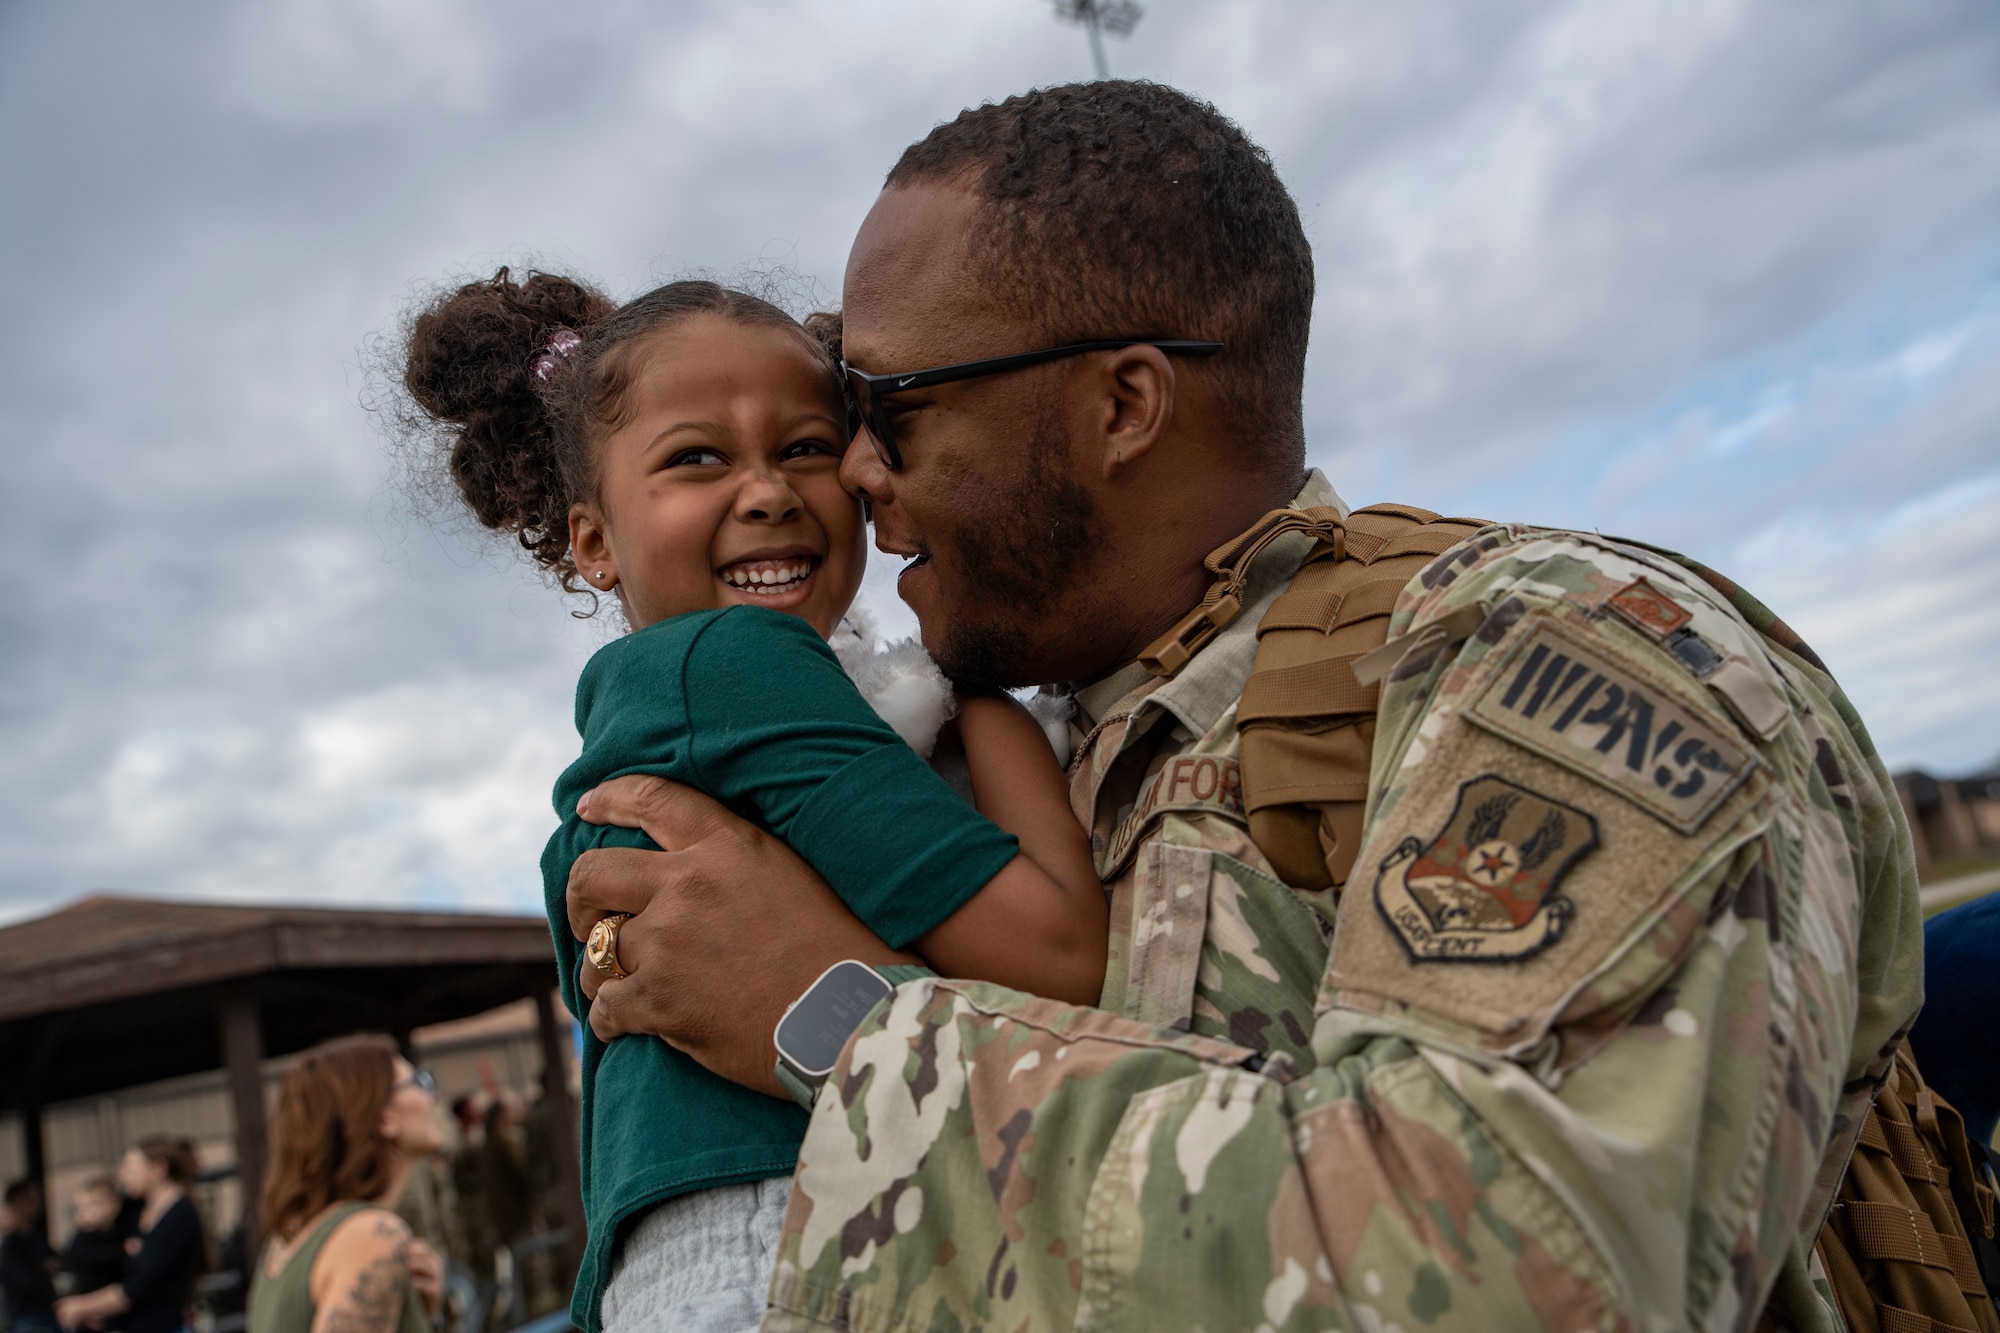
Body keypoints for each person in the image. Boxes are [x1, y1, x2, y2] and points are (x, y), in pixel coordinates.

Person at [560, 81, 1924, 1331]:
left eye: (888, 404)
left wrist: (835, 1019)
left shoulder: (1544, 655)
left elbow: (1529, 1269)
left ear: (1123, 405)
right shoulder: (1058, 738)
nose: (851, 469)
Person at [393, 271, 1107, 1331]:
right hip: (778, 1241)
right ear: (591, 541)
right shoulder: (730, 667)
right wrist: (983, 691)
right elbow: (1060, 956)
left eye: (806, 446)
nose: (769, 489)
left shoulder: (698, 704)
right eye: (696, 458)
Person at [244, 1035, 442, 1333]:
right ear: (384, 1118)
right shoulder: (372, 1236)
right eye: (420, 1082)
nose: (432, 1097)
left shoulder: (284, 1242)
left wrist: (415, 1314)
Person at [55, 1139, 204, 1333]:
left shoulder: (180, 1215)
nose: (124, 1175)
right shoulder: (134, 1208)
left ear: (158, 1168)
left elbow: (140, 1286)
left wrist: (82, 1306)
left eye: (130, 1167)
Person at [56, 1180, 128, 1309]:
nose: (85, 1212)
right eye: (80, 1207)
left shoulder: (120, 1231)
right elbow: (74, 1258)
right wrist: (121, 1250)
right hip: (87, 1296)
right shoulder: (82, 1237)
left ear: (114, 1205)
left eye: (93, 1205)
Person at [0, 1182, 57, 1333]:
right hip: (26, 1315)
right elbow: (26, 1280)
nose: (36, 1203)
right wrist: (46, 1270)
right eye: (30, 1198)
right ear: (17, 1202)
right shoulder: (11, 1242)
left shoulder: (35, 1235)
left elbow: (57, 1261)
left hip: (48, 1311)